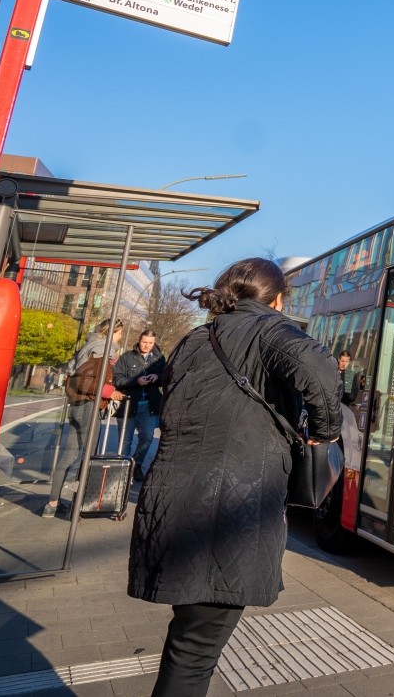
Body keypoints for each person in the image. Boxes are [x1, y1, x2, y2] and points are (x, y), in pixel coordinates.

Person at [128, 258, 340, 696]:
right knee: (194, 653)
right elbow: (320, 368)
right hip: (225, 512)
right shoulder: (268, 329)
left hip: (172, 500)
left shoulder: (194, 338)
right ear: (277, 299)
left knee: (188, 642)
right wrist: (324, 432)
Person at [43, 318, 125, 517]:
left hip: (76, 406)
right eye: (120, 333)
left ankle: (52, 504)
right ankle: (78, 504)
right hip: (89, 406)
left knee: (69, 456)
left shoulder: (87, 347)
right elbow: (85, 381)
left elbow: (73, 376)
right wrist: (110, 392)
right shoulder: (101, 351)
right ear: (112, 332)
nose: (121, 337)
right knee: (87, 457)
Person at [113, 329, 166, 483]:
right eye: (144, 342)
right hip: (129, 405)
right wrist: (135, 381)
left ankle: (136, 465)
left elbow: (167, 378)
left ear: (154, 342)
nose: (147, 345)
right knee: (125, 440)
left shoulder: (160, 359)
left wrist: (157, 377)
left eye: (150, 343)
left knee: (147, 438)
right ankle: (122, 468)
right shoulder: (127, 357)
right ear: (139, 340)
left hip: (149, 406)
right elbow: (117, 379)